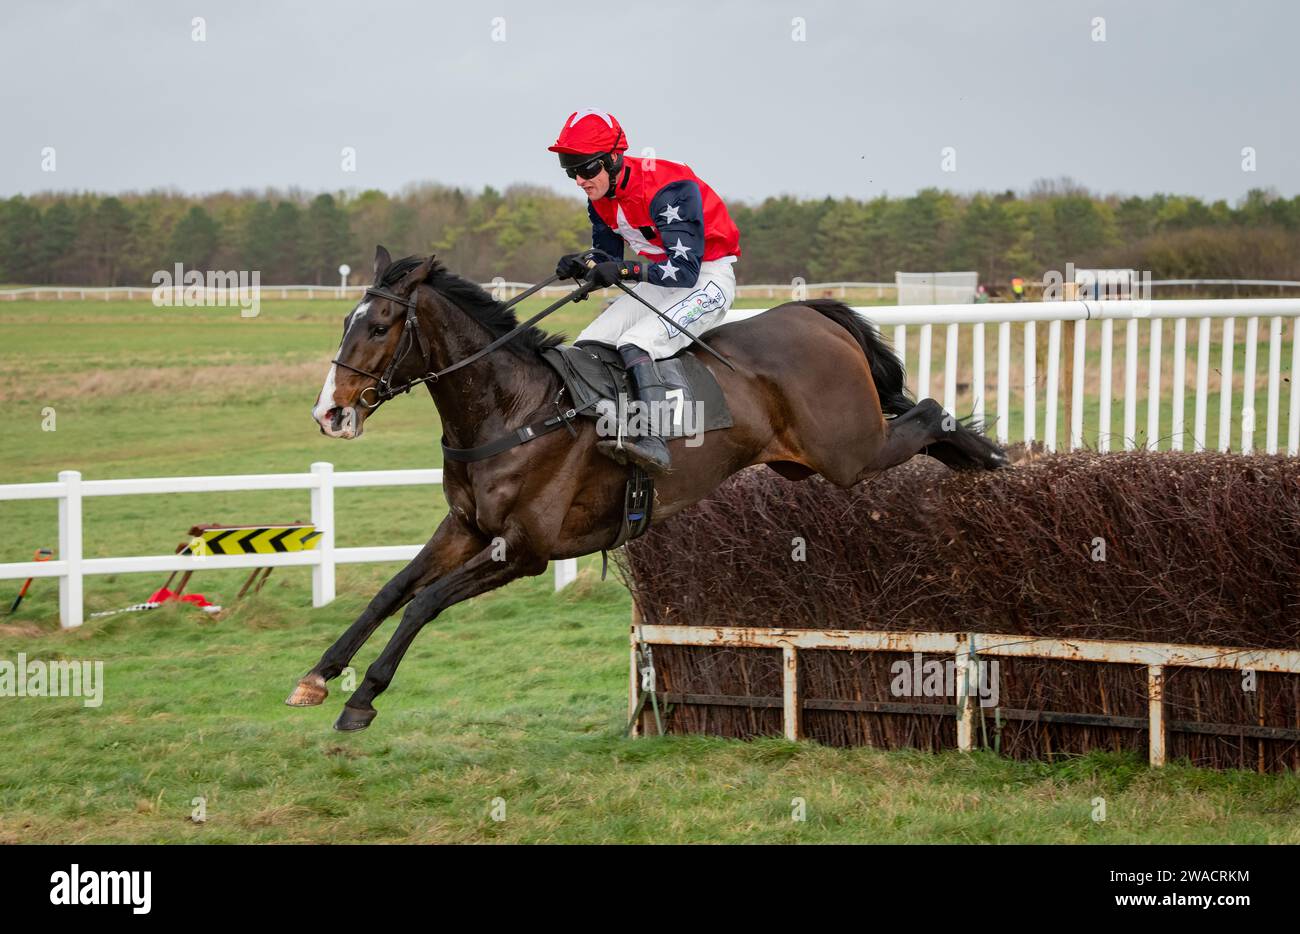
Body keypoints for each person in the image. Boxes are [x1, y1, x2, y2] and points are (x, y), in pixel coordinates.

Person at [549, 110, 741, 476]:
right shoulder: (600, 195)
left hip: (707, 279)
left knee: (636, 342)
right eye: (570, 170)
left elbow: (684, 271)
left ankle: (653, 441)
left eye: (587, 169)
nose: (579, 180)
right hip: (659, 282)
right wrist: (583, 264)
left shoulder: (670, 189)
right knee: (589, 344)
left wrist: (621, 270)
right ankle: (605, 429)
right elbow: (609, 260)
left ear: (613, 159)